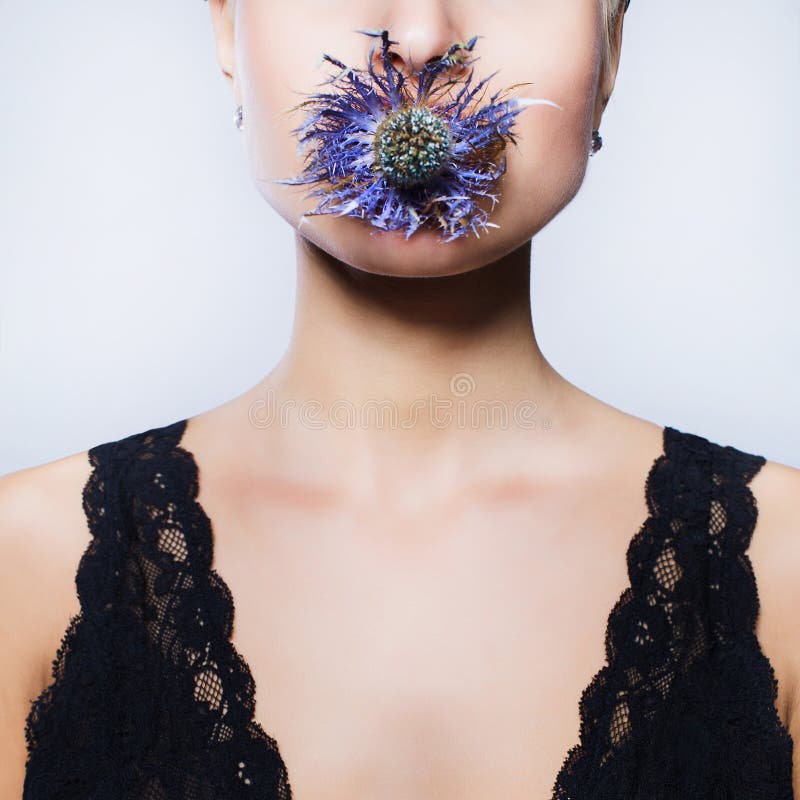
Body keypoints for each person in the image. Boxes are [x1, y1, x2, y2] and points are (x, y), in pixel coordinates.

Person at [1, 1, 798, 797]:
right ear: (227, 28)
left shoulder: (786, 574)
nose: (419, 40)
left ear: (612, 39)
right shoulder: (21, 569)